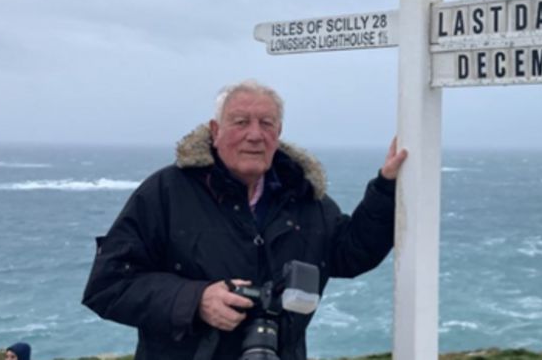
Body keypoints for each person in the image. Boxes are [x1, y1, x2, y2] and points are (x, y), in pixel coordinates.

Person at [82, 80, 406, 360]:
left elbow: (352, 253)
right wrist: (196, 300)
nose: (255, 135)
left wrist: (387, 187)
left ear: (278, 133)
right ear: (215, 131)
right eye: (240, 122)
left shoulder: (302, 197)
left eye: (266, 123)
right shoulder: (166, 192)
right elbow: (108, 284)